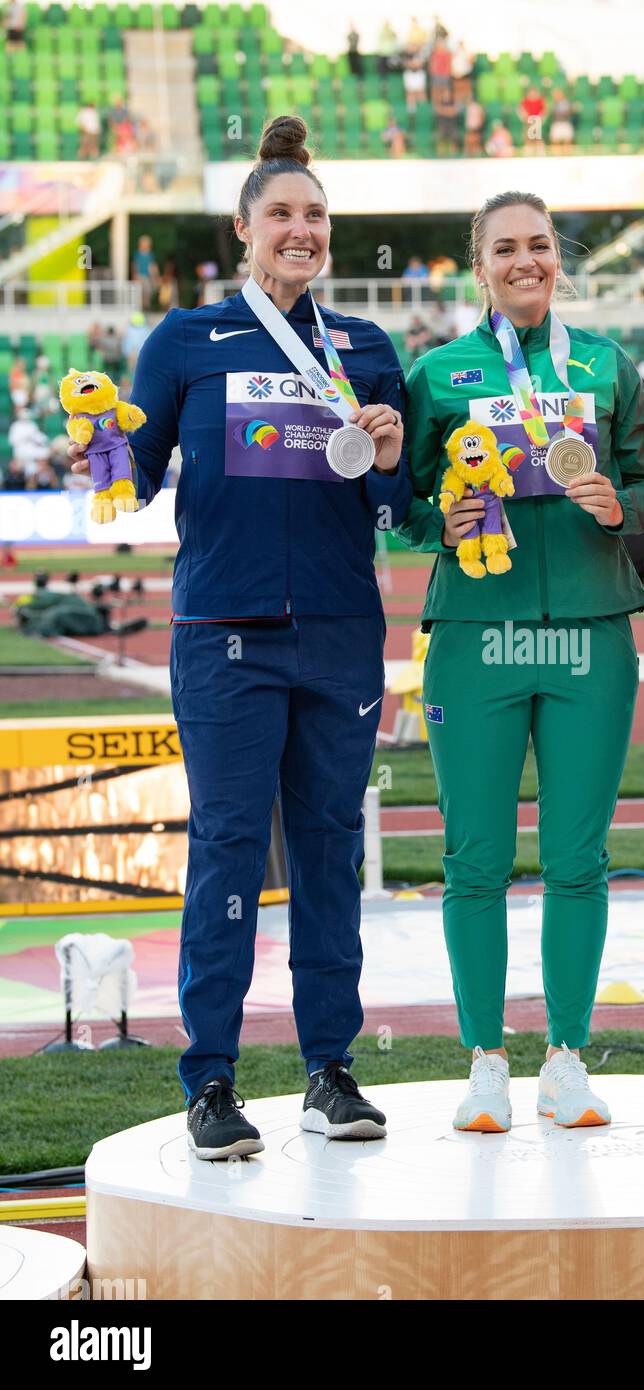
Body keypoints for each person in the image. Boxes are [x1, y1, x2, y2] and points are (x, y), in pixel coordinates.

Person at [65, 116, 411, 1161]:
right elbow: (129, 481)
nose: (299, 230)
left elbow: (396, 500)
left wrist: (393, 453)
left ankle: (328, 1070)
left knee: (327, 853)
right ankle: (211, 1079)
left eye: (314, 215)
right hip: (224, 631)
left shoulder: (367, 347)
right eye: (281, 215)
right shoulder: (183, 339)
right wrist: (101, 453)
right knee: (224, 847)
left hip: (343, 632)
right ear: (244, 228)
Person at [395, 190, 644, 1133]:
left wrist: (615, 509)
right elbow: (399, 505)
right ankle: (481, 1062)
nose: (524, 262)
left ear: (559, 257)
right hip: (476, 635)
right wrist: (442, 520)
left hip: (591, 632)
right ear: (478, 265)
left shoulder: (604, 363)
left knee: (578, 859)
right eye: (504, 248)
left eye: (539, 246)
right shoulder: (436, 373)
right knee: (474, 859)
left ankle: (564, 1058)